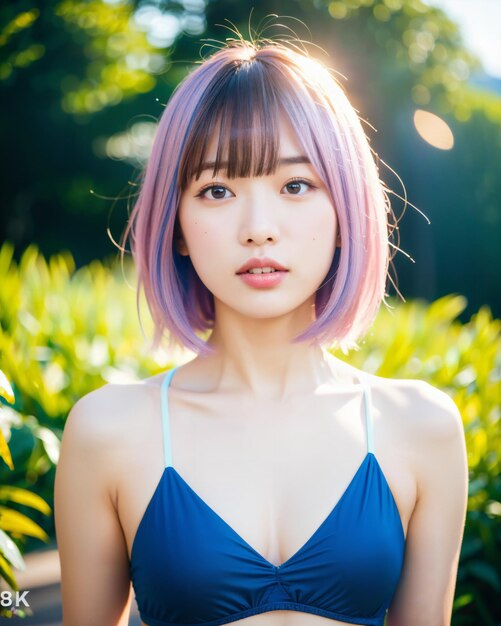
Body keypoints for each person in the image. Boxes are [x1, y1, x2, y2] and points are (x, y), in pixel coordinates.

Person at [54, 34, 469, 626]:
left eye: (295, 185)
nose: (258, 228)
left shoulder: (422, 427)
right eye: (216, 190)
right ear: (175, 225)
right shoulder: (108, 431)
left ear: (345, 210)